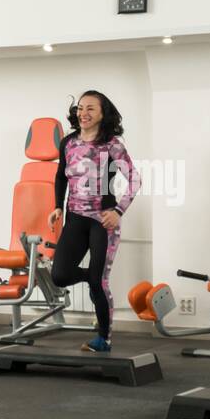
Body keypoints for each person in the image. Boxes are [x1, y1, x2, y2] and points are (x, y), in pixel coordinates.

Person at [48, 90, 141, 353]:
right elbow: (60, 177)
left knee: (100, 283)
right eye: (80, 108)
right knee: (60, 275)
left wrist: (119, 211)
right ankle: (94, 278)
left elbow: (135, 179)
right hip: (75, 220)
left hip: (103, 222)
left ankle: (104, 338)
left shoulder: (112, 145)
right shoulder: (68, 143)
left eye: (90, 108)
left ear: (102, 114)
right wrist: (57, 206)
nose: (83, 113)